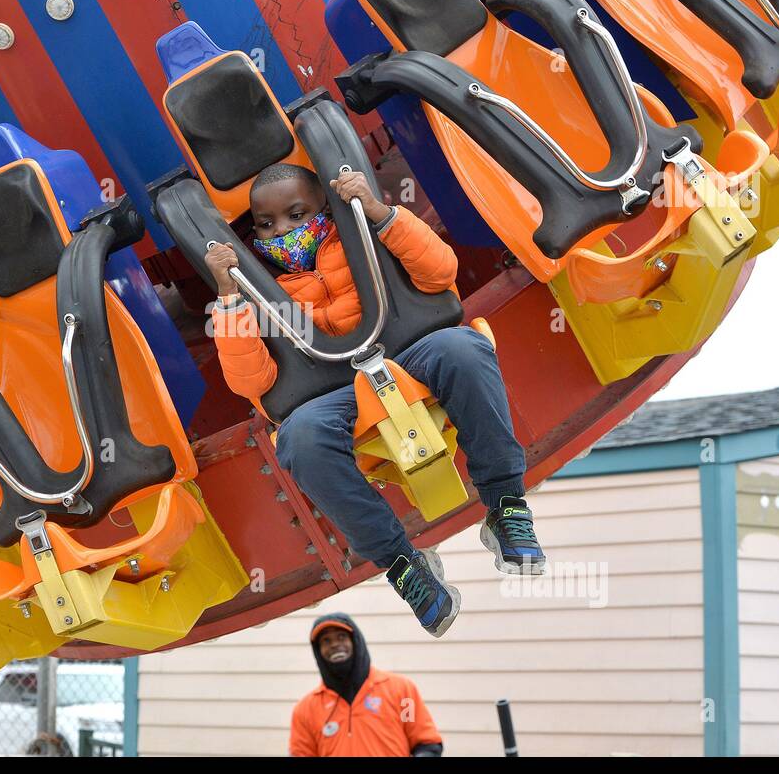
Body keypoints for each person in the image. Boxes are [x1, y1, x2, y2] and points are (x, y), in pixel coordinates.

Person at [205, 163, 545, 637]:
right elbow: (249, 380)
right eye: (266, 225)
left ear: (323, 210)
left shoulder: (362, 240)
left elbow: (439, 271)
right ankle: (403, 563)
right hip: (336, 390)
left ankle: (506, 504)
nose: (282, 231)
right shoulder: (268, 294)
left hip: (409, 352)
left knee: (463, 349)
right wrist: (228, 299)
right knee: (301, 440)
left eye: (296, 215)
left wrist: (382, 215)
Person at [290, 613, 443, 756]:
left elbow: (427, 744)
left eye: (342, 637)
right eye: (326, 641)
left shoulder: (402, 690)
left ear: (356, 642)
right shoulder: (305, 710)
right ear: (318, 651)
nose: (335, 644)